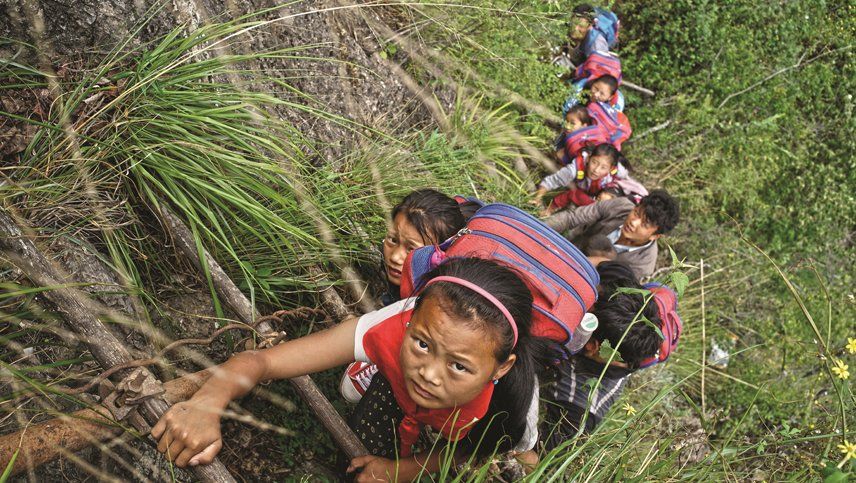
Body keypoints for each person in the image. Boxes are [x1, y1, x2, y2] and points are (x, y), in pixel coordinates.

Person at [151, 257, 547, 482]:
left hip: (463, 429)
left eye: (459, 366)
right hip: (398, 388)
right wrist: (208, 400)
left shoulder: (512, 406)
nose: (428, 372)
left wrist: (403, 471)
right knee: (375, 423)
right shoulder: (392, 327)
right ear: (411, 320)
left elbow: (474, 453)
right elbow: (266, 360)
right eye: (422, 344)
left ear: (501, 368)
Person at [346, 189, 468, 401]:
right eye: (393, 240)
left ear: (440, 255)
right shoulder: (415, 275)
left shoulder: (446, 302)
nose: (395, 256)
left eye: (411, 249)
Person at [539, 261, 663, 450]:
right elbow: (609, 265)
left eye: (585, 314)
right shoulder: (622, 299)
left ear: (591, 345)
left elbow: (538, 457)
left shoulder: (580, 408)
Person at [544, 190, 680, 280]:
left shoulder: (643, 265)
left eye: (644, 224)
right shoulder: (620, 206)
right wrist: (537, 228)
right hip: (564, 249)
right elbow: (571, 218)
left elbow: (606, 287)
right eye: (636, 213)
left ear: (655, 236)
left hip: (578, 280)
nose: (633, 222)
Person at [531, 143, 627, 216]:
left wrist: (608, 195)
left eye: (603, 167)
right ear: (589, 158)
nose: (596, 170)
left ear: (611, 169)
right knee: (576, 195)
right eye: (594, 162)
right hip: (584, 191)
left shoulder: (617, 173)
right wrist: (538, 197)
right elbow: (551, 181)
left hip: (600, 194)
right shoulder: (575, 168)